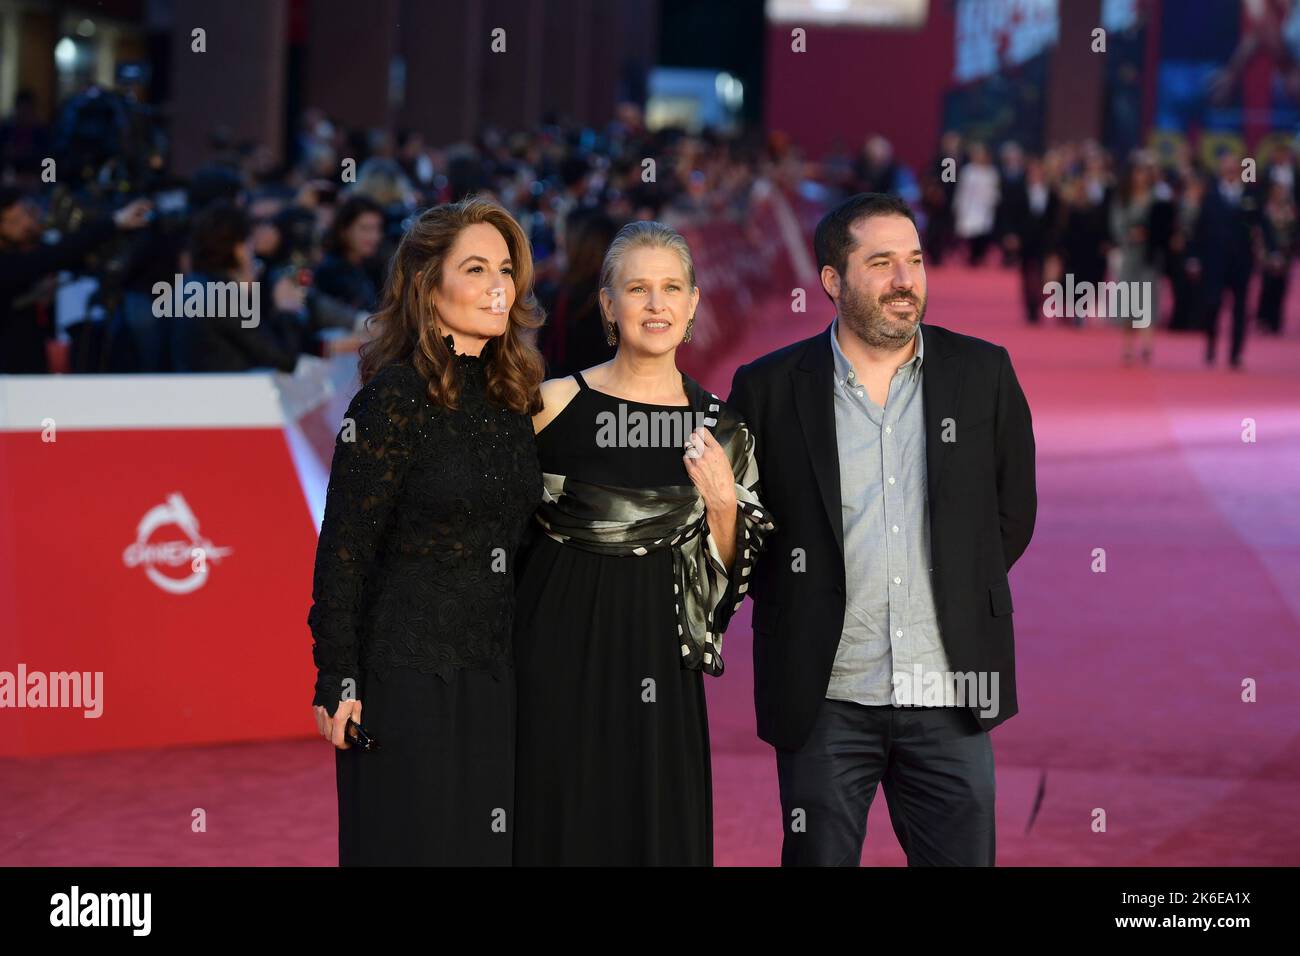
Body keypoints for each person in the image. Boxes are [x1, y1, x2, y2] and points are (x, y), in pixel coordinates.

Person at [727, 193, 1037, 866]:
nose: (906, 279)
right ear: (833, 282)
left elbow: (1013, 514)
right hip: (824, 695)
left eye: (915, 261)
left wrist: (955, 585)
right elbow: (747, 532)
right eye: (882, 263)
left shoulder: (983, 373)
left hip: (950, 692)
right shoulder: (769, 388)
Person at [512, 220, 773, 865]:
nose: (656, 305)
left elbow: (729, 585)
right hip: (551, 648)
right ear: (608, 304)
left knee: (647, 824)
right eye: (637, 288)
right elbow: (499, 538)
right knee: (556, 818)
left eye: (670, 288)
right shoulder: (548, 405)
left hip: (659, 656)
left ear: (692, 304)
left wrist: (720, 500)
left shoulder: (721, 428)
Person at [308, 196, 545, 865]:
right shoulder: (391, 400)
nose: (499, 285)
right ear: (426, 285)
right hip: (402, 680)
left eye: (505, 268)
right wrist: (337, 678)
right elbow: (344, 550)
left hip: (493, 679)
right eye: (475, 269)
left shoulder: (513, 399)